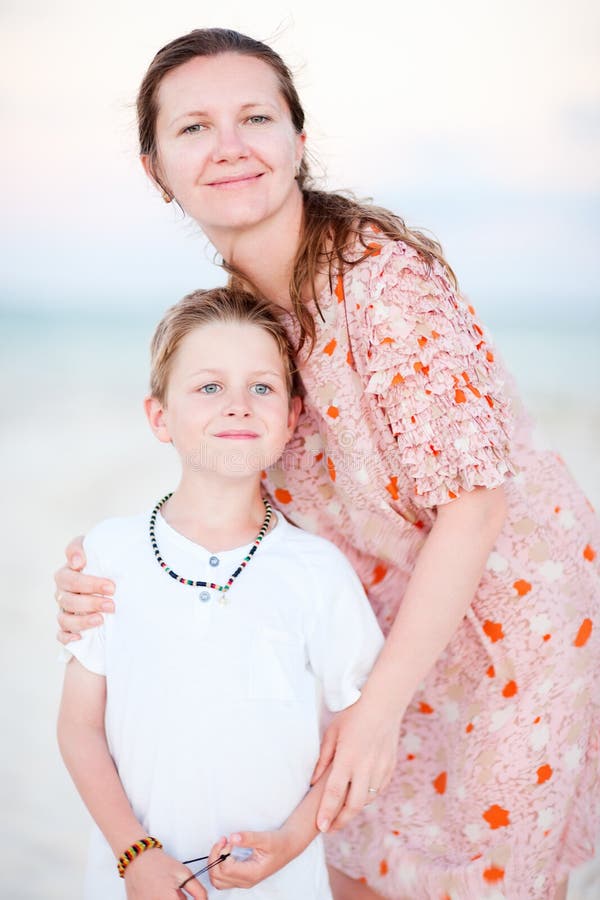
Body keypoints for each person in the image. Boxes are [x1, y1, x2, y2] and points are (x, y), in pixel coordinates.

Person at [54, 28, 600, 900]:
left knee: (484, 879)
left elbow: (476, 507)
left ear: (297, 144)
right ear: (155, 168)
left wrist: (377, 708)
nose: (229, 145)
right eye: (193, 128)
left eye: (255, 117)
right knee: (350, 866)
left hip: (511, 615)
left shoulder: (382, 279)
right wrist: (107, 578)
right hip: (369, 621)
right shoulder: (237, 324)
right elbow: (219, 484)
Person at [57, 287, 385, 900]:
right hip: (134, 880)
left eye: (261, 388)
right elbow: (79, 729)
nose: (237, 406)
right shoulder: (108, 555)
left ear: (290, 419)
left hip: (280, 883)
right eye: (209, 387)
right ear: (160, 417)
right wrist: (136, 856)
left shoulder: (317, 571)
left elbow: (358, 740)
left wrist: (289, 842)